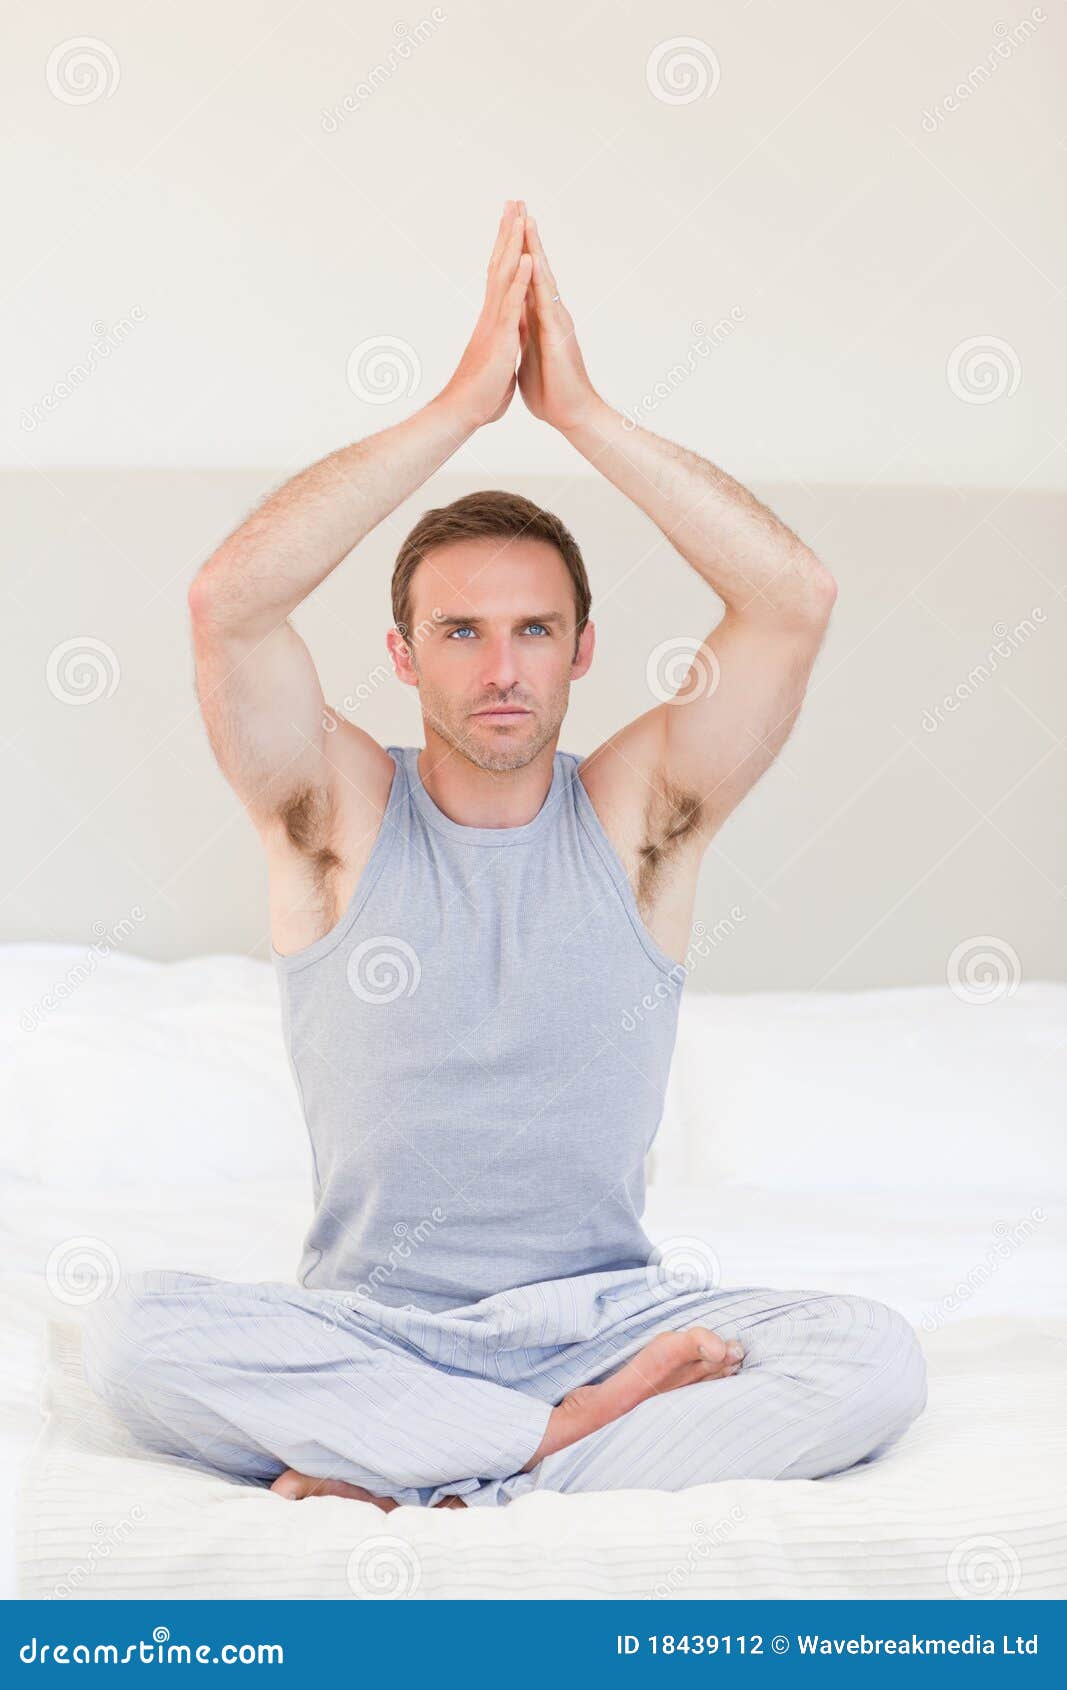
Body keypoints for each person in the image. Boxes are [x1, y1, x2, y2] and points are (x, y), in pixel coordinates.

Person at [81, 201, 927, 1510]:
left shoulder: (641, 822)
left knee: (872, 1359)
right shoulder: (337, 816)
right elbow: (226, 602)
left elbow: (792, 600)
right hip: (374, 1327)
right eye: (460, 631)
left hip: (608, 1320)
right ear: (401, 653)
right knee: (133, 1338)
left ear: (584, 651)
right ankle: (547, 1448)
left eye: (534, 630)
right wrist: (458, 409)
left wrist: (579, 413)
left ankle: (433, 1460)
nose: (499, 667)